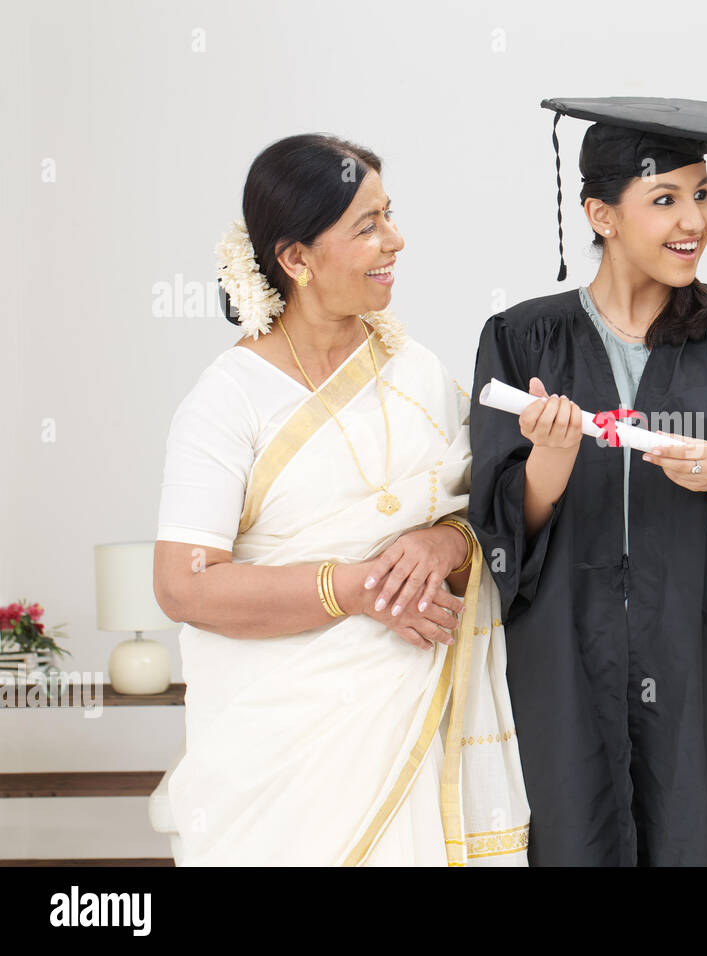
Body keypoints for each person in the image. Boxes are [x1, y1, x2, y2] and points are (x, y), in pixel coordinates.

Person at [153, 133, 528, 866]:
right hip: (288, 755)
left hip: (419, 716)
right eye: (367, 226)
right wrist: (355, 589)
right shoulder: (228, 399)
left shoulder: (416, 374)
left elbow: (487, 507)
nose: (395, 240)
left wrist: (447, 541)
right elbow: (183, 585)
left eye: (389, 214)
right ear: (296, 259)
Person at [468, 98, 707, 865]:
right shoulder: (522, 337)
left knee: (705, 837)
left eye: (702, 194)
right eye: (665, 199)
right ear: (602, 215)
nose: (694, 220)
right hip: (568, 656)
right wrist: (550, 460)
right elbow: (497, 538)